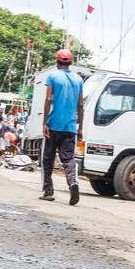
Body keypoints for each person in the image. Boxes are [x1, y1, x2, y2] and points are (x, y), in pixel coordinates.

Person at [40, 50, 83, 204]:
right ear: (70, 63)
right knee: (68, 159)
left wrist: (44, 122)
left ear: (57, 62)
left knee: (48, 160)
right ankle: (73, 182)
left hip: (53, 125)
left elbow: (49, 98)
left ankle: (48, 192)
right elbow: (80, 104)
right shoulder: (78, 79)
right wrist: (80, 128)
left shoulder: (52, 76)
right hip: (70, 127)